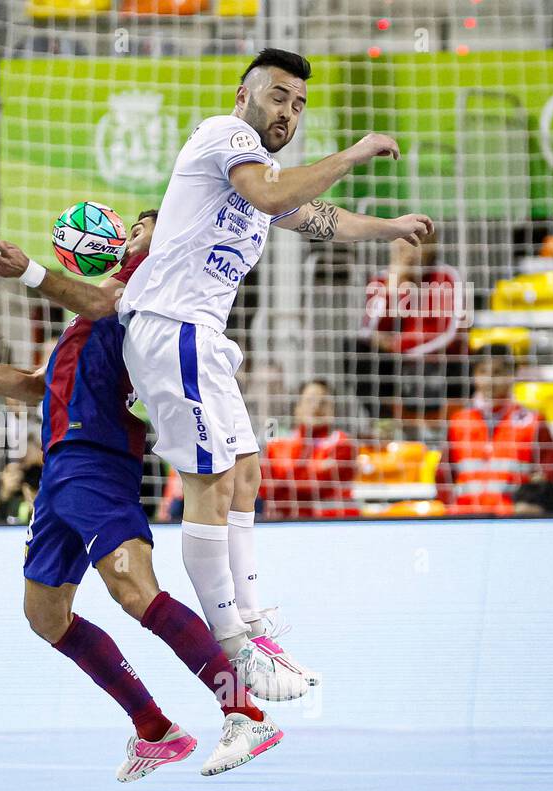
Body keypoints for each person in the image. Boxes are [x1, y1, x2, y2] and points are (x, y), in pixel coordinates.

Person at [0, 209, 305, 778]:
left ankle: (244, 710)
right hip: (60, 471)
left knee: (135, 591)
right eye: (132, 227)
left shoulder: (148, 285)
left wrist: (29, 271)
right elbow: (34, 386)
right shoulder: (91, 312)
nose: (131, 231)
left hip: (100, 462)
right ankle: (155, 728)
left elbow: (105, 298)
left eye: (144, 225)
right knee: (44, 613)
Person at [116, 49, 430, 690]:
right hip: (173, 326)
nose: (288, 110)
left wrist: (390, 227)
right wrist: (354, 152)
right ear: (244, 95)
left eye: (299, 104)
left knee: (247, 473)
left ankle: (253, 626)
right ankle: (234, 650)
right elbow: (271, 192)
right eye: (279, 96)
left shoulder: (260, 173)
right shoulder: (224, 135)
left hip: (200, 336)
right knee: (209, 483)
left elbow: (316, 218)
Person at [355, 233, 466, 424]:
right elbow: (368, 330)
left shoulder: (446, 276)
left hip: (439, 360)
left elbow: (451, 332)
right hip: (395, 364)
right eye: (399, 243)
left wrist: (399, 348)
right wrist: (393, 283)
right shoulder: (381, 280)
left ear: (429, 247)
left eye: (412, 243)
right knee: (358, 349)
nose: (405, 250)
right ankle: (383, 420)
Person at [436, 346, 553, 516]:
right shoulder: (459, 422)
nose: (490, 380)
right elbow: (443, 477)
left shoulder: (533, 422)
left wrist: (527, 508)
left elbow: (550, 478)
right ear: (474, 376)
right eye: (483, 372)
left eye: (498, 372)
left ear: (512, 375)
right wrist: (454, 510)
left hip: (512, 520)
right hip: (465, 519)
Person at [261, 379, 358, 519]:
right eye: (310, 400)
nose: (316, 406)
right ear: (297, 407)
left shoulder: (343, 443)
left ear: (333, 409)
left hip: (333, 522)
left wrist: (287, 476)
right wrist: (317, 467)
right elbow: (266, 489)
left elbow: (317, 484)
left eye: (323, 402)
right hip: (282, 523)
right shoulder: (278, 444)